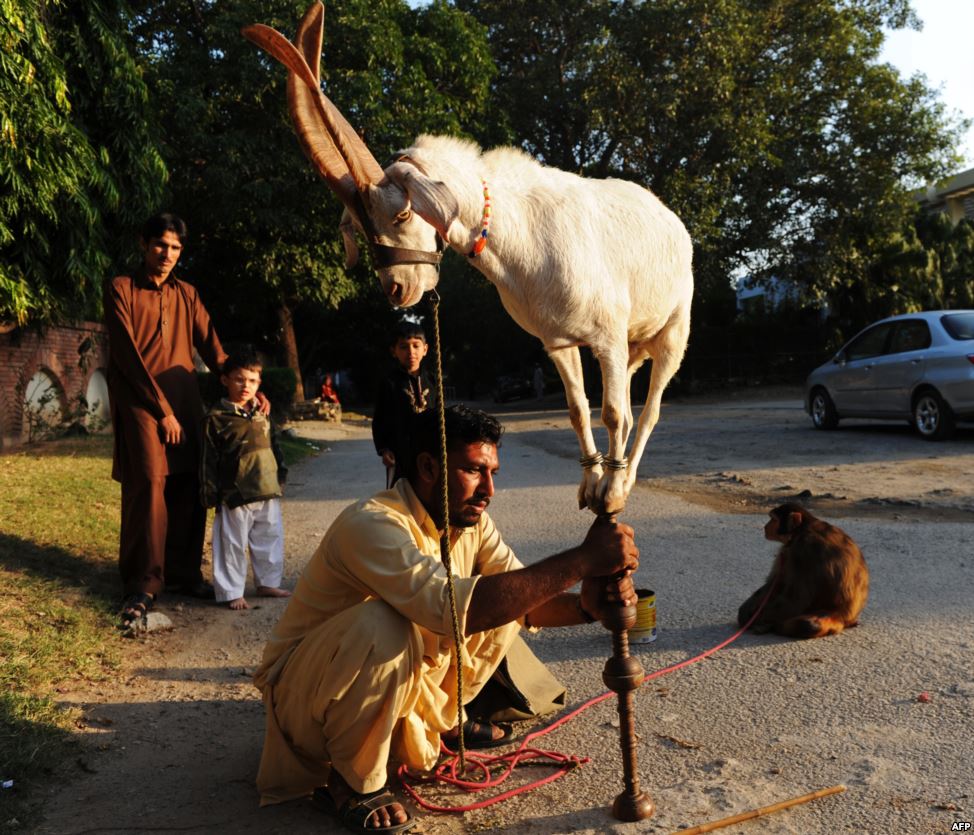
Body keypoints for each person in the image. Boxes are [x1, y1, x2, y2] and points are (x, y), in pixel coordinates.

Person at [253, 405, 638, 833]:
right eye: (474, 471)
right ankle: (352, 782)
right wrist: (583, 560)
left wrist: (587, 608)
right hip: (302, 700)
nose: (488, 489)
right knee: (386, 623)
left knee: (504, 598)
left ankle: (440, 720)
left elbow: (524, 603)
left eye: (493, 472)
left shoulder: (471, 522)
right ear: (427, 466)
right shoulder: (371, 523)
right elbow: (448, 608)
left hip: (382, 683)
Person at [104, 212, 267, 627]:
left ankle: (181, 574)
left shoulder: (187, 294)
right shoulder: (122, 289)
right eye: (161, 244)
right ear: (144, 243)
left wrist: (245, 382)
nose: (167, 254)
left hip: (186, 402)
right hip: (143, 403)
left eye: (176, 247)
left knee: (191, 485)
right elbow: (127, 357)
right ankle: (143, 583)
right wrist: (163, 412)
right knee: (149, 482)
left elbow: (214, 349)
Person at [200, 348, 291, 610]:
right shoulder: (216, 418)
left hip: (266, 487)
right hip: (234, 493)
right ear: (225, 380)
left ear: (259, 384)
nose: (245, 386)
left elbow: (275, 446)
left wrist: (281, 475)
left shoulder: (262, 412)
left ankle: (267, 582)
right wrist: (209, 492)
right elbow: (207, 458)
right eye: (239, 379)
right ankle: (231, 591)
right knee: (232, 543)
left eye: (252, 381)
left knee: (269, 537)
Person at [371, 319, 435, 488]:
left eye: (416, 345)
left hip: (430, 450)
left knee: (430, 492)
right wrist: (384, 449)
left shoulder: (433, 382)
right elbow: (380, 419)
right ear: (394, 351)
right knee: (400, 495)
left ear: (425, 349)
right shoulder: (389, 382)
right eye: (404, 347)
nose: (411, 352)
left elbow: (442, 415)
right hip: (400, 453)